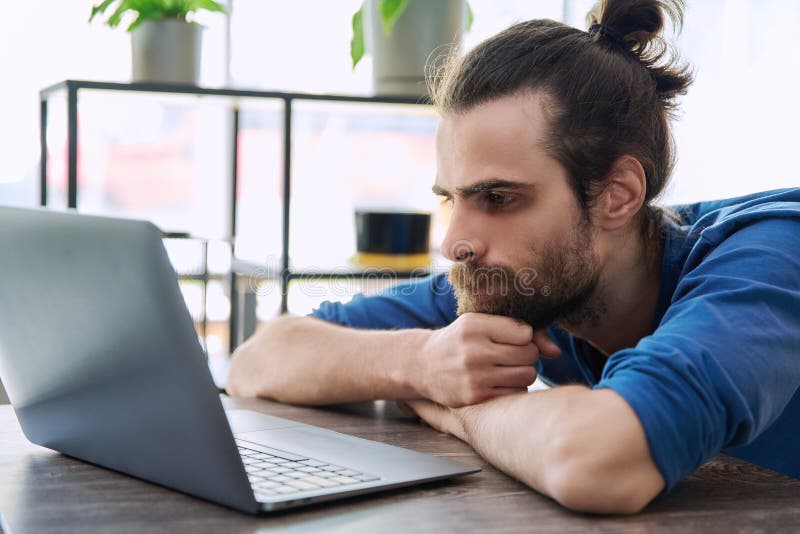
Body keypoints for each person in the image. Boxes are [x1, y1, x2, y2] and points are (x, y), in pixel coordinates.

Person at [226, 0, 800, 514]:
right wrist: (422, 361)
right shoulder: (526, 281)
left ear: (617, 196)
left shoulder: (769, 253)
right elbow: (258, 361)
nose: (455, 243)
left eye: (498, 198)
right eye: (453, 199)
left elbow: (599, 460)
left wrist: (449, 406)